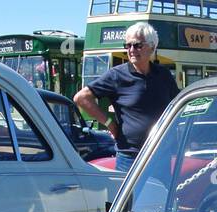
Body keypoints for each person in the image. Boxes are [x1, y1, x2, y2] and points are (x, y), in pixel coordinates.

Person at [73, 22, 178, 173]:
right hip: (129, 156)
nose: (131, 50)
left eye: (137, 45)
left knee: (160, 197)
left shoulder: (163, 75)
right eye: (127, 45)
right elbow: (81, 98)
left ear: (152, 47)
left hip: (160, 153)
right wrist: (110, 123)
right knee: (130, 198)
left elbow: (175, 106)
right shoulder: (117, 75)